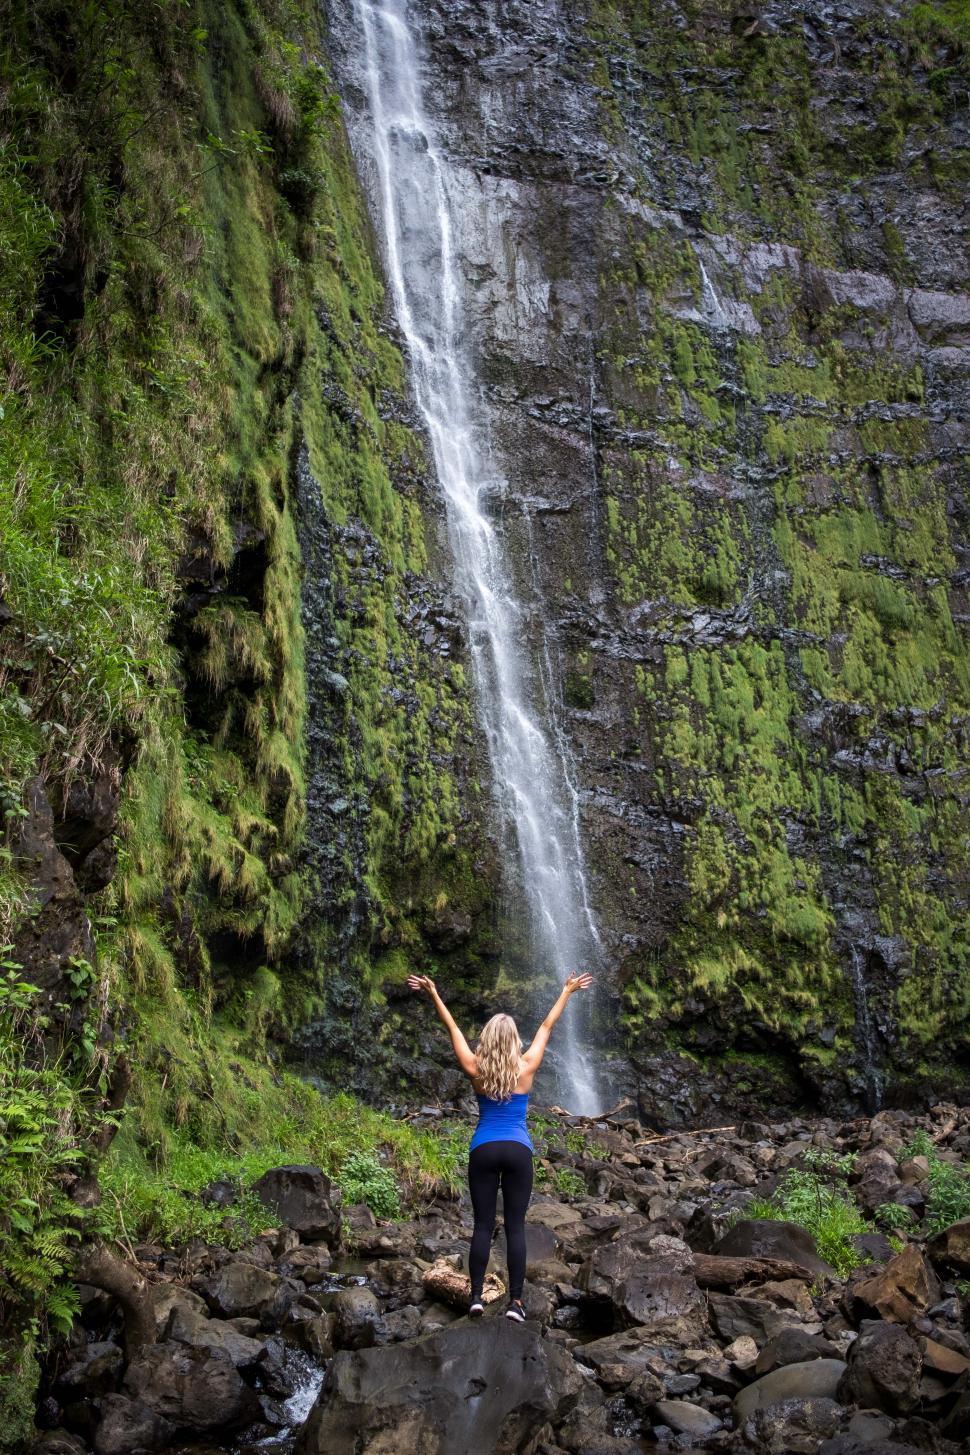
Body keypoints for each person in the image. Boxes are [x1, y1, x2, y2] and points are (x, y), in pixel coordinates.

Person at [407, 971, 593, 1322]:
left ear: (488, 1039)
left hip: (484, 1149)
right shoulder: (526, 1065)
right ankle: (516, 1304)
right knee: (516, 1227)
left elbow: (453, 1031)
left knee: (480, 1226)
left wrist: (433, 994)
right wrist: (566, 992)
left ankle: (476, 1297)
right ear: (513, 1041)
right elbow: (546, 1028)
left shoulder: (475, 1067)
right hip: (518, 1150)